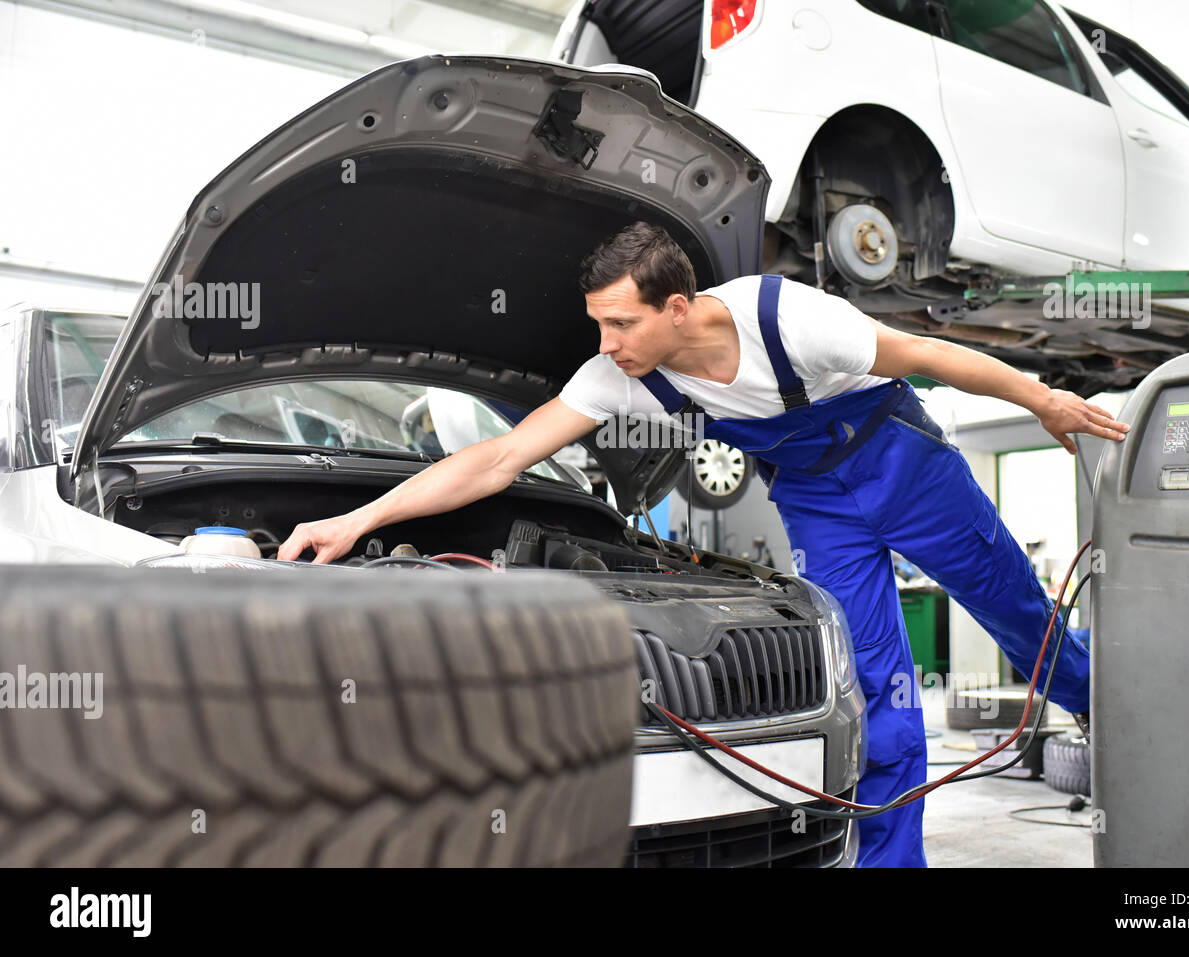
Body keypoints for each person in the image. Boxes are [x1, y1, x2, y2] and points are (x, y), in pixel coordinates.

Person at [278, 221, 1128, 866]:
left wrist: (1043, 400)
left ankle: (1110, 707)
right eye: (597, 323)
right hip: (815, 502)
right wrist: (360, 521)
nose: (604, 343)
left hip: (904, 464)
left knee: (1022, 617)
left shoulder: (787, 318)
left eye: (619, 322)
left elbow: (929, 355)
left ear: (676, 307)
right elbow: (500, 456)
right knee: (883, 695)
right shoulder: (618, 374)